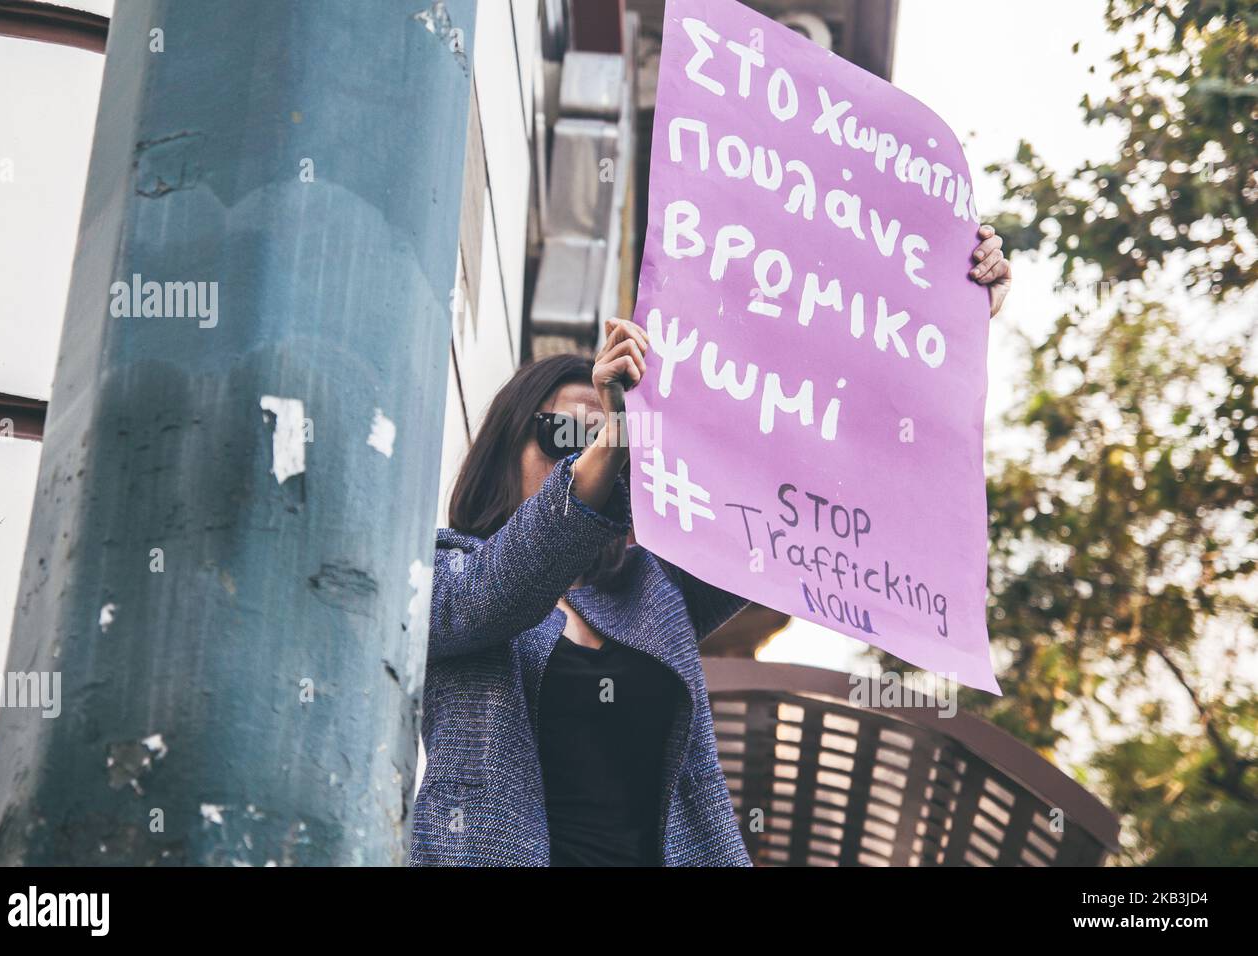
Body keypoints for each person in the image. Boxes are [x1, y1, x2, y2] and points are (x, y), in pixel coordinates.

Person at [409, 225, 1011, 866]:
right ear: (506, 445)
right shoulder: (443, 572)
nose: (589, 456)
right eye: (566, 436)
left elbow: (803, 483)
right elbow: (498, 593)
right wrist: (612, 437)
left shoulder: (653, 589)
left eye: (607, 443)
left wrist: (945, 326)